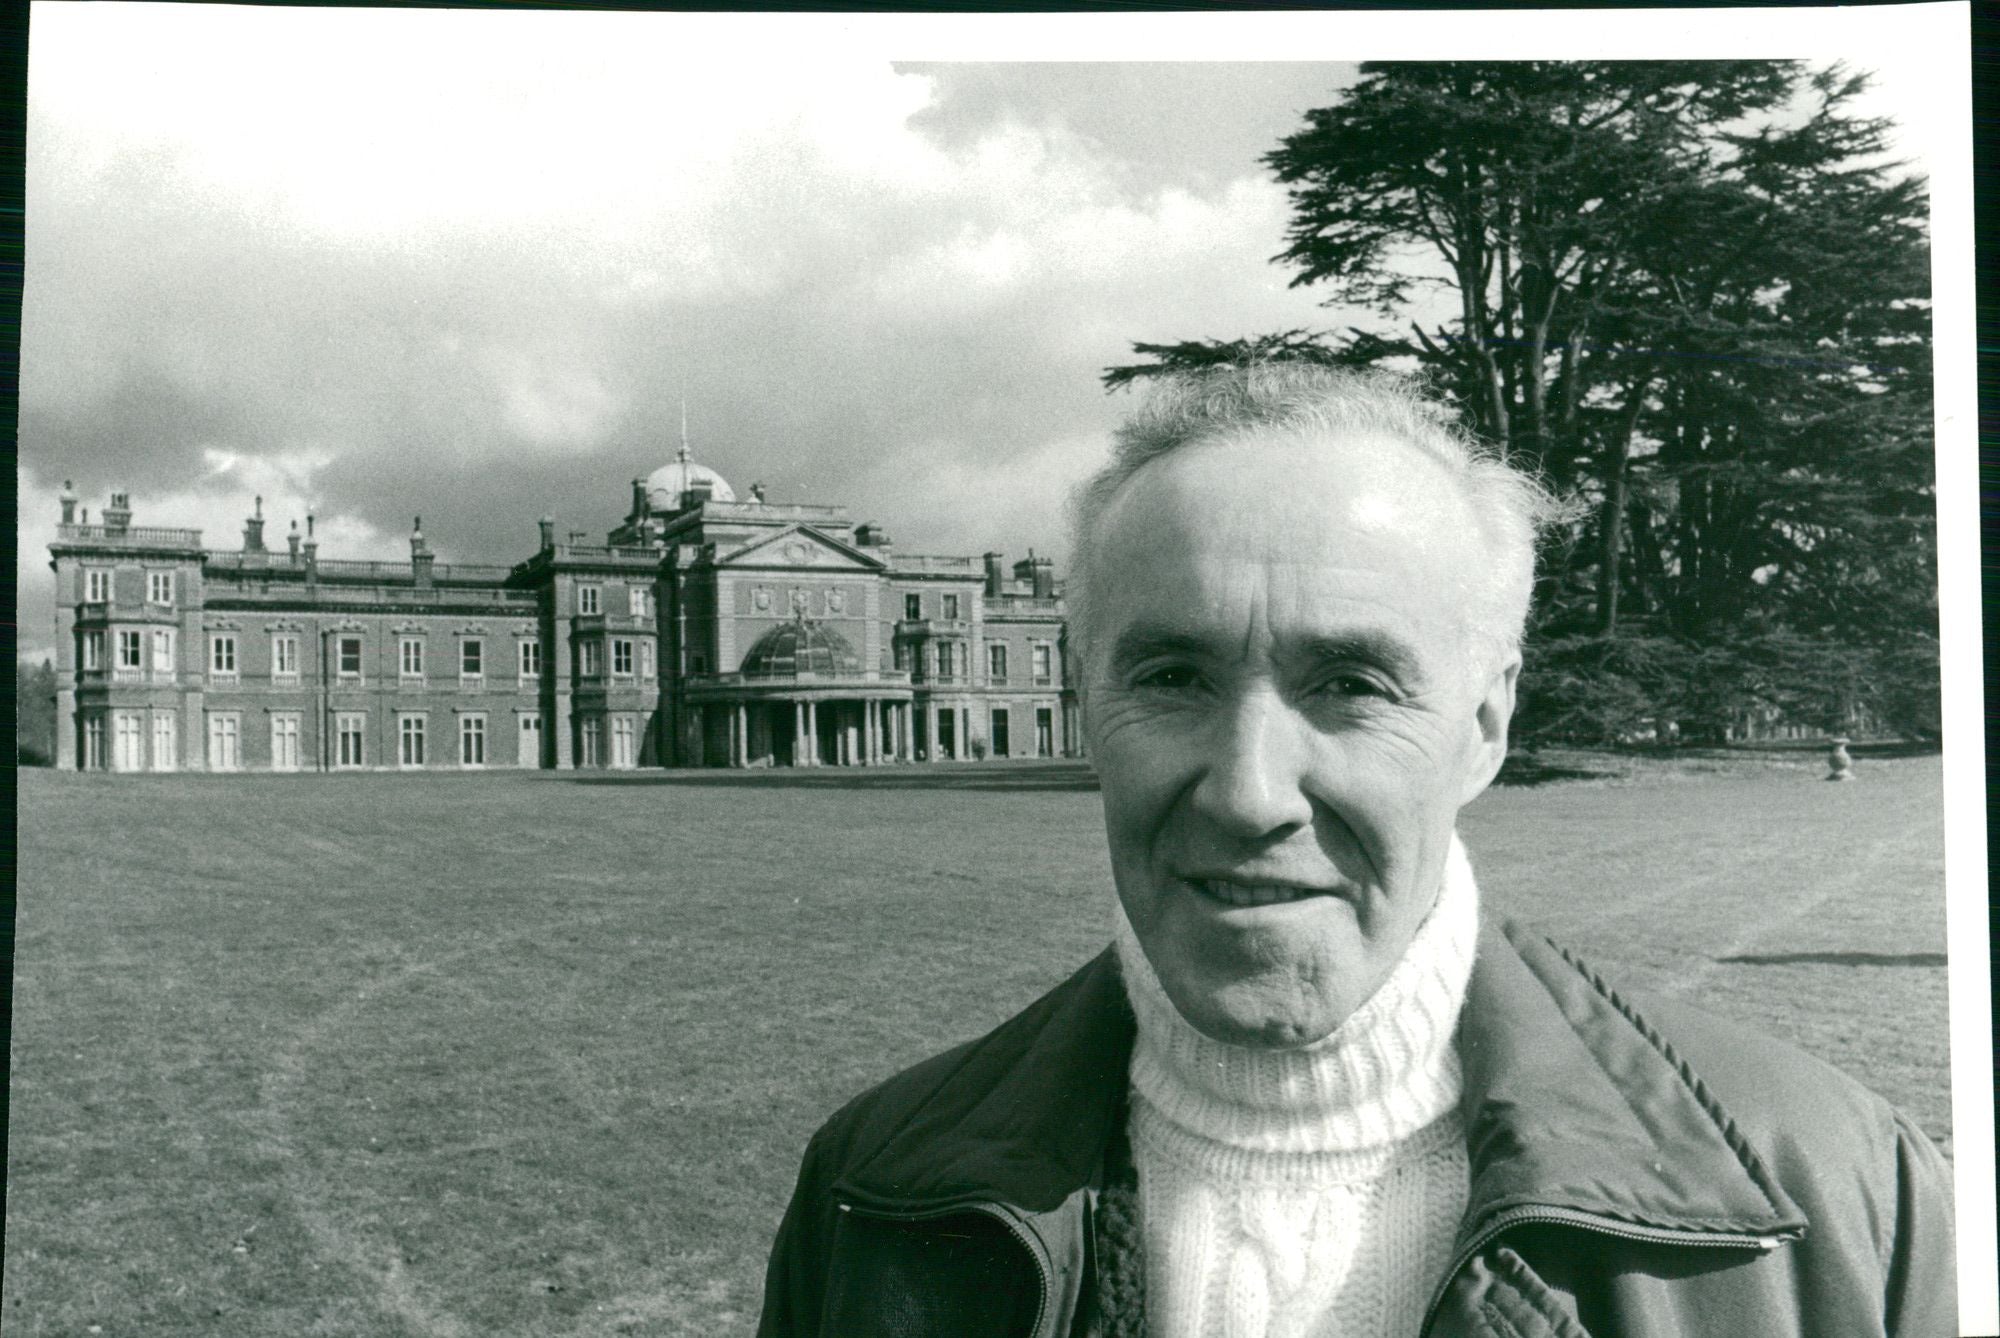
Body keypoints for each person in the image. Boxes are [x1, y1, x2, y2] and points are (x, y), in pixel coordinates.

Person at [758, 364, 1956, 1337]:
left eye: (1350, 684)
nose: (1246, 794)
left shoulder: (1849, 1200)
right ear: (1085, 708)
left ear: (1482, 726)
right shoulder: (867, 1192)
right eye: (1170, 677)